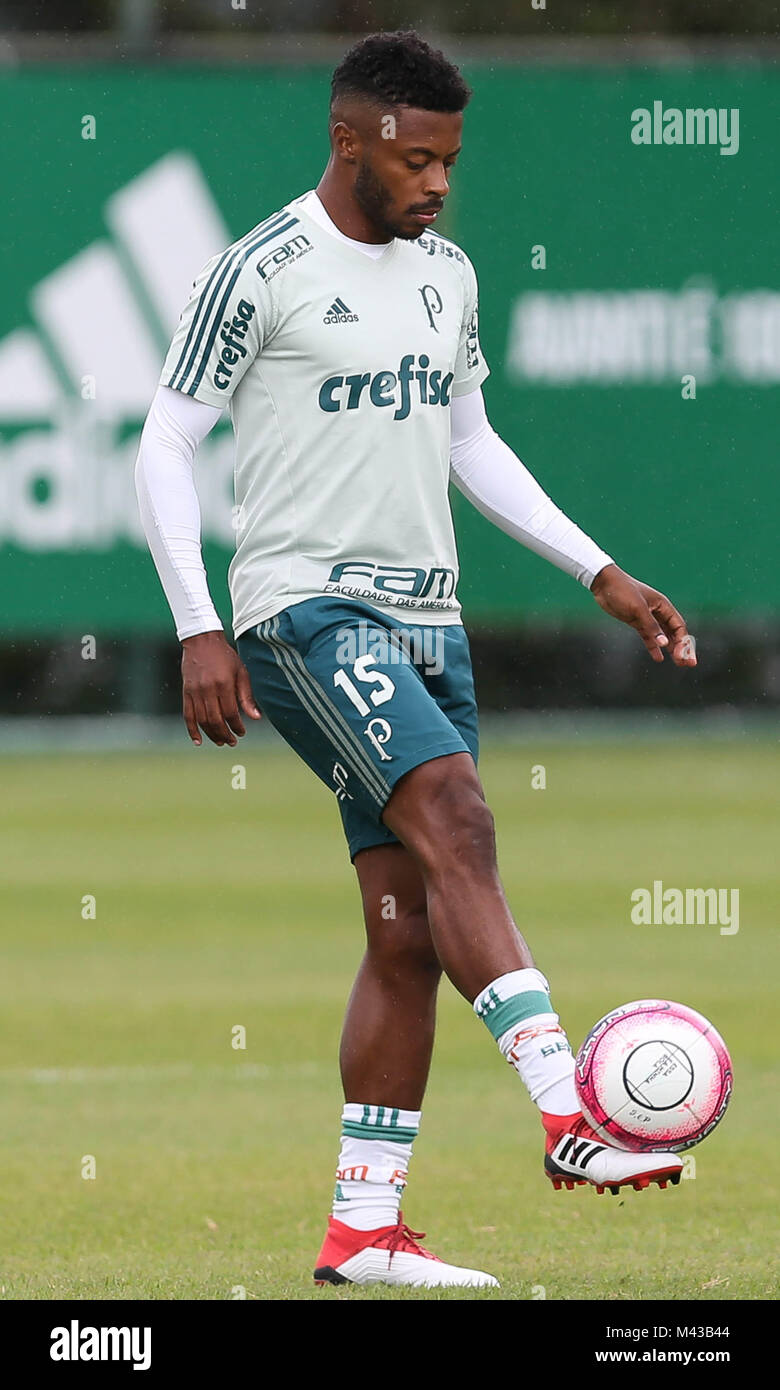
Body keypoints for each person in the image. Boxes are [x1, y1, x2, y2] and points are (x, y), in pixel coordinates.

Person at [135, 30, 696, 1290]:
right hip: (304, 612)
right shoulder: (261, 269)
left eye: (451, 159)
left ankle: (365, 1231)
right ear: (350, 138)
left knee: (407, 930)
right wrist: (197, 622)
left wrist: (594, 567)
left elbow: (470, 439)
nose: (439, 181)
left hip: (429, 624)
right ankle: (574, 1111)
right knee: (460, 817)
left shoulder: (448, 275)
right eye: (418, 156)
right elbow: (164, 445)